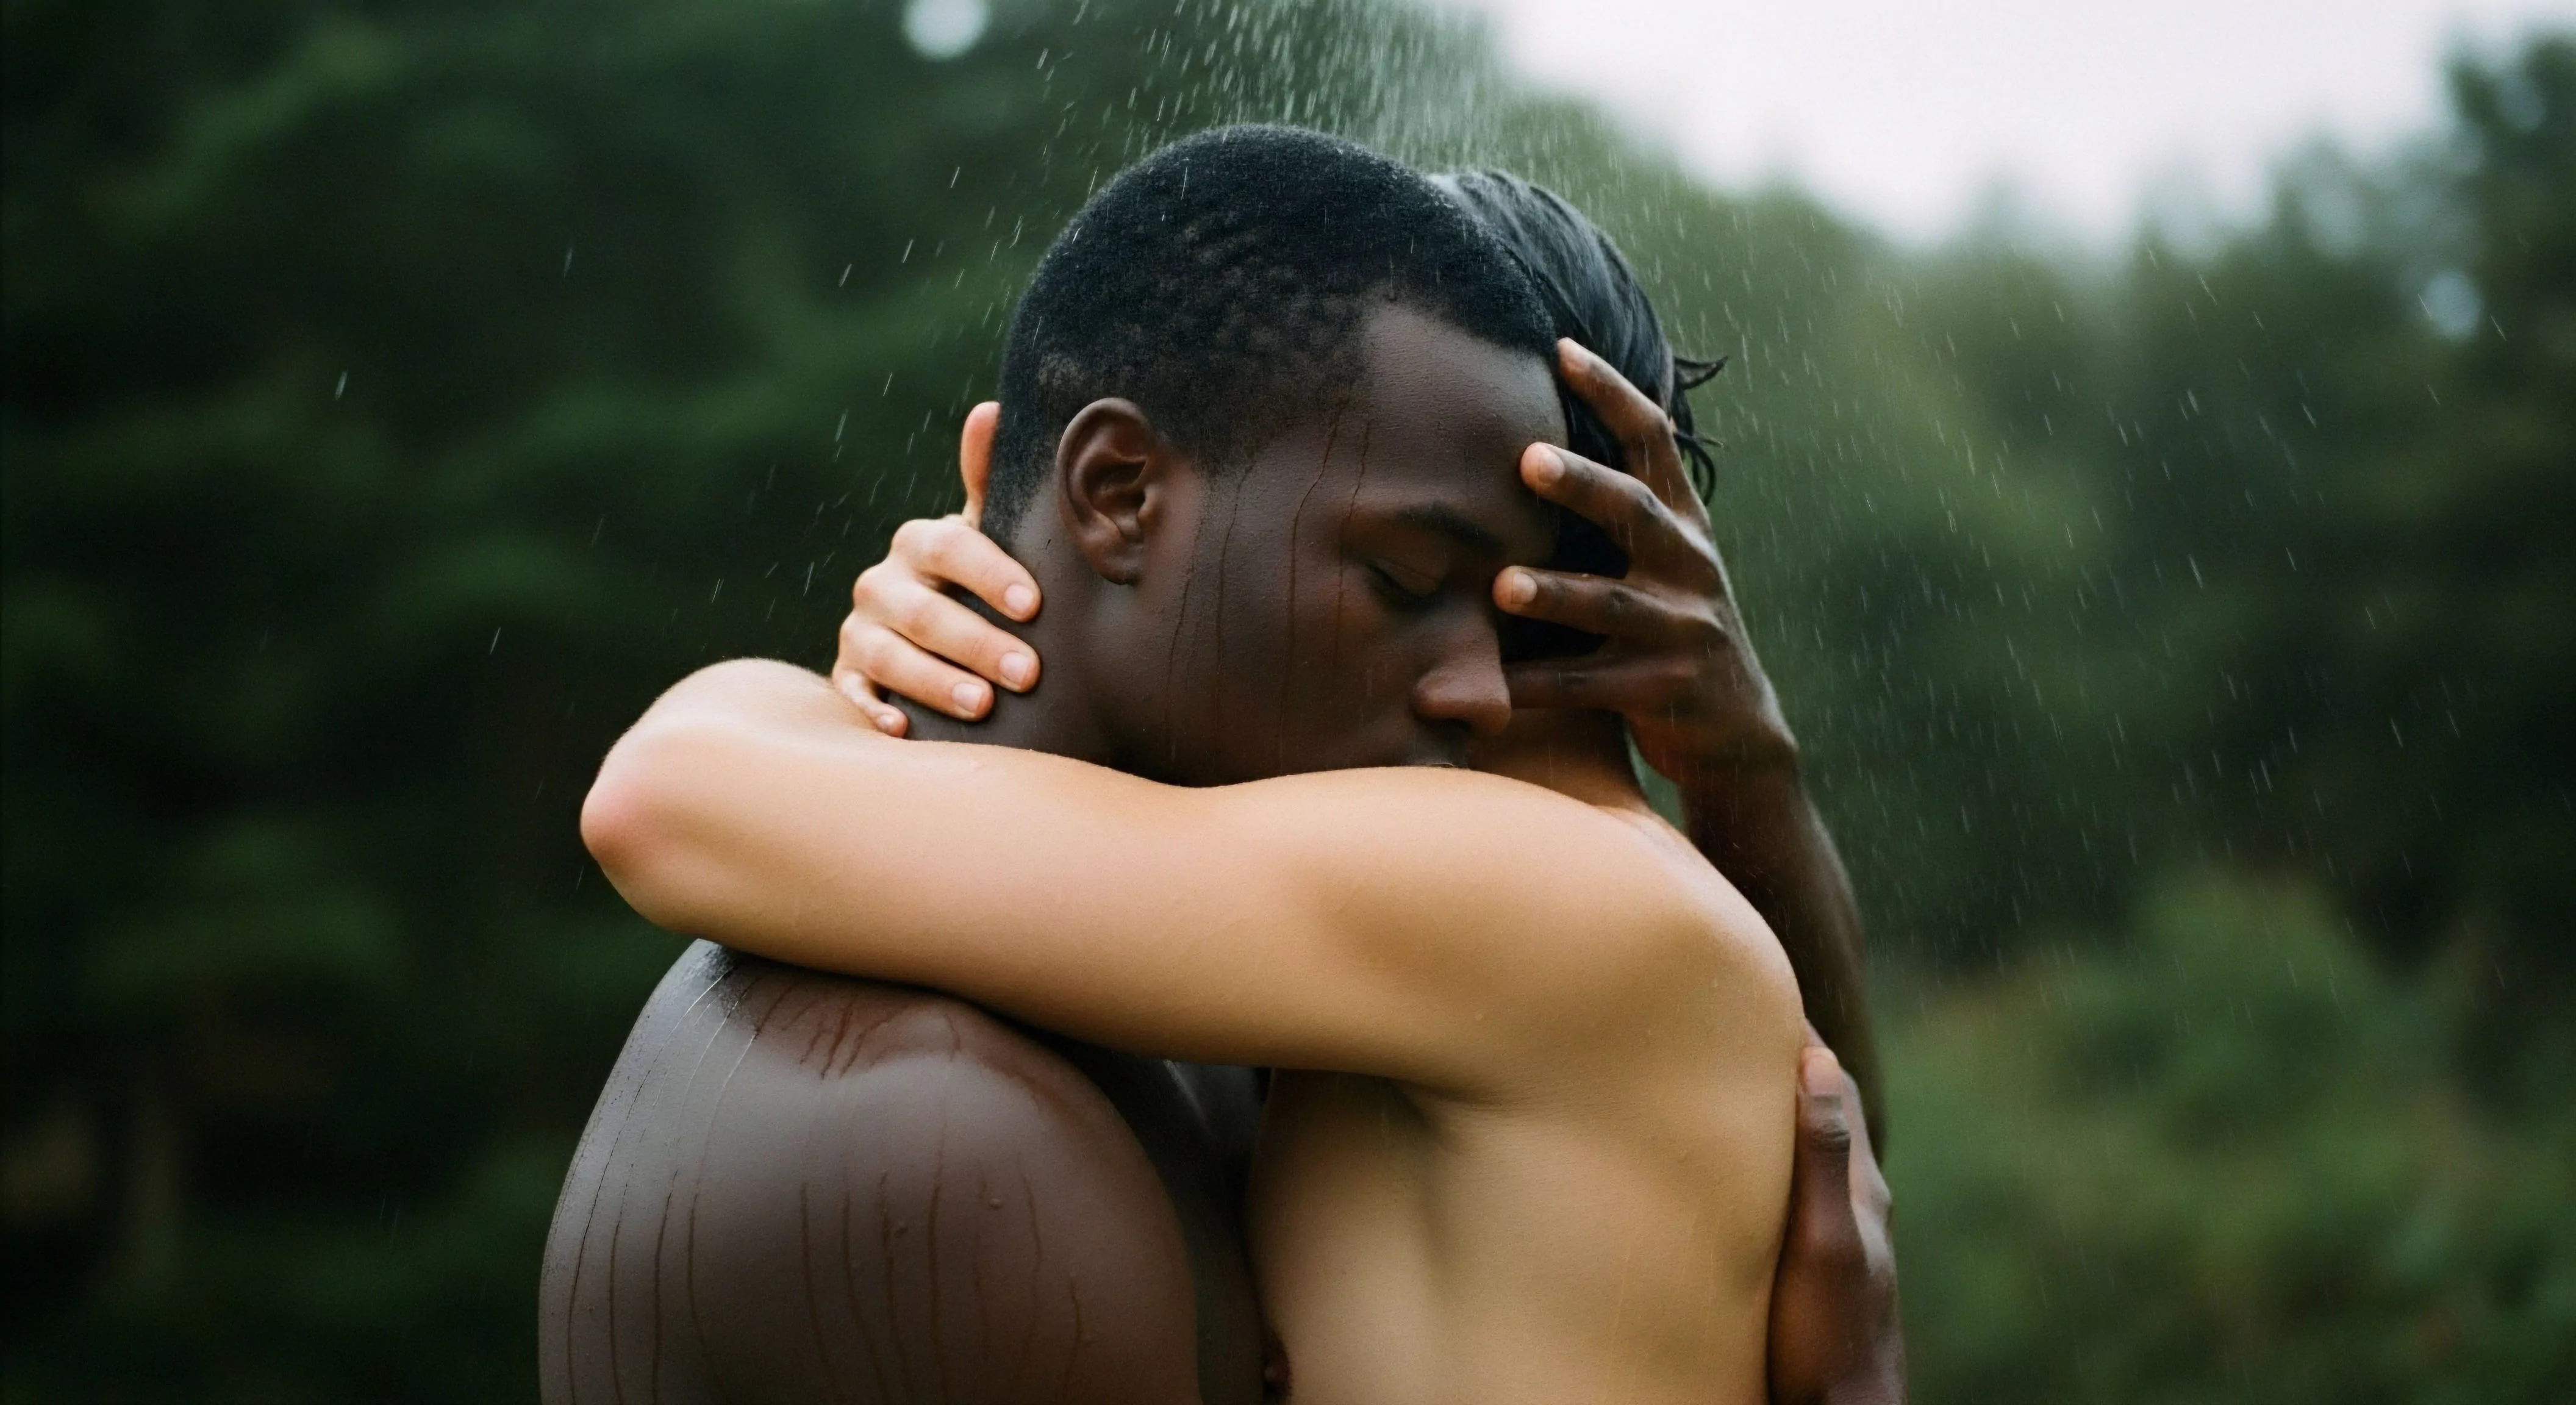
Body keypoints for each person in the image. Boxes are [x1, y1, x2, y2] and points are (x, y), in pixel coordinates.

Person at [548, 126, 1900, 1404]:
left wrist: (856, 656)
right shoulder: (1493, 928)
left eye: (1414, 568)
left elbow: (673, 804)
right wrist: (1748, 765)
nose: (1462, 683)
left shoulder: (1508, 883)